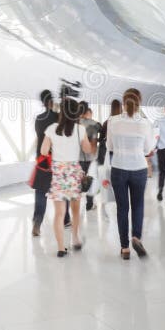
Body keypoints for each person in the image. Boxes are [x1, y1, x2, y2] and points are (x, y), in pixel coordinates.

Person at [40, 98, 95, 257]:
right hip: (73, 171)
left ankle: (60, 248)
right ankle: (75, 238)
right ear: (76, 112)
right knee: (75, 210)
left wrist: (56, 151)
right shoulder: (80, 129)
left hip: (58, 171)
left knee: (59, 213)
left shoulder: (52, 128)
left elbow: (44, 151)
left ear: (61, 111)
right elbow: (87, 149)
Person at [107, 88, 155, 260]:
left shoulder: (113, 121)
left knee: (122, 208)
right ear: (138, 103)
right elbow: (148, 149)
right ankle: (136, 236)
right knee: (138, 205)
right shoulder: (145, 123)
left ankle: (125, 248)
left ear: (123, 102)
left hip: (118, 167)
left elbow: (109, 147)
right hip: (139, 168)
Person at [32, 90, 70, 236]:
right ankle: (66, 219)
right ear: (51, 101)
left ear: (42, 102)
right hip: (57, 159)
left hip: (42, 159)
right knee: (62, 190)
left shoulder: (39, 119)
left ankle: (37, 222)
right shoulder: (57, 118)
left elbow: (40, 136)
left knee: (41, 192)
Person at [78, 102, 102, 211]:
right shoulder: (93, 124)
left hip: (76, 158)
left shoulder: (74, 123)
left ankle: (76, 205)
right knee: (90, 181)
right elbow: (93, 143)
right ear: (87, 111)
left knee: (77, 181)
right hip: (90, 158)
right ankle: (89, 204)